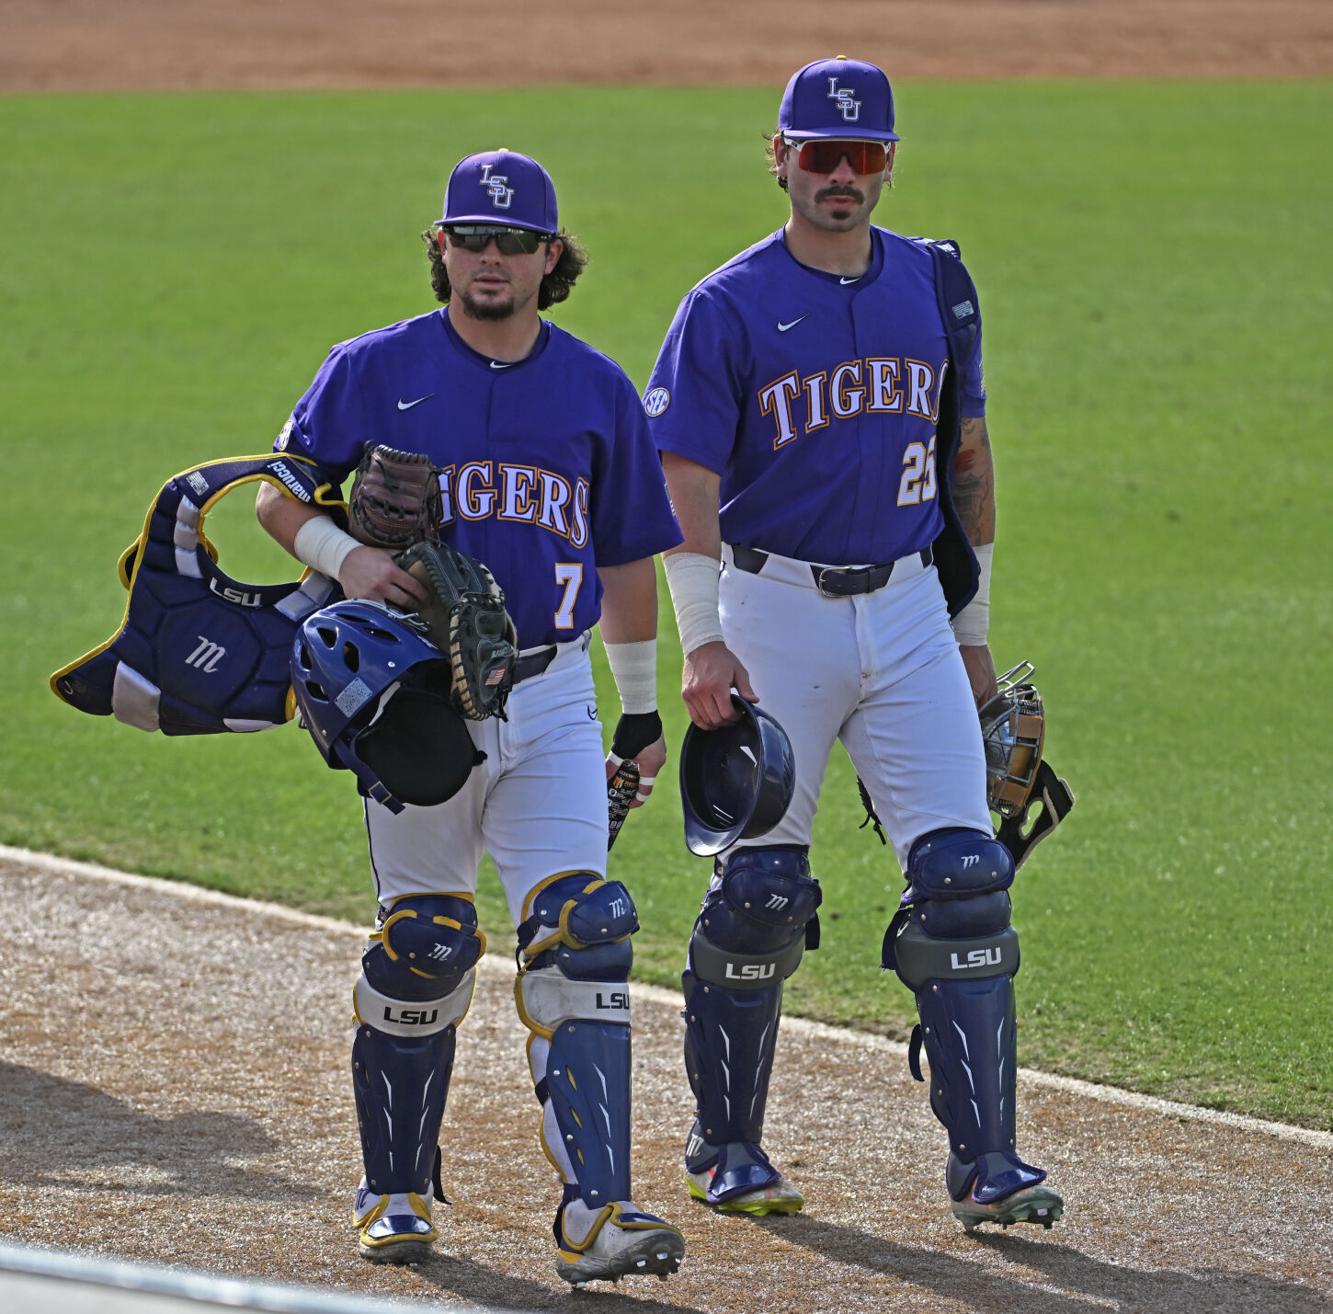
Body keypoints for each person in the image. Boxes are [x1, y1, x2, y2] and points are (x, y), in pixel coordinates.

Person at [645, 57, 1063, 1231]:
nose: (841, 177)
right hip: (770, 609)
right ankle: (724, 1143)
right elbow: (682, 478)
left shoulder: (934, 283)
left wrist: (972, 633)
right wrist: (704, 642)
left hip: (912, 610)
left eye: (863, 156)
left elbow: (965, 456)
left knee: (969, 883)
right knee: (763, 889)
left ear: (889, 162)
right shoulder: (724, 304)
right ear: (776, 157)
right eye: (818, 155)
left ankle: (989, 1166)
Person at [256, 148, 687, 1284]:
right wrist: (344, 555)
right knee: (426, 947)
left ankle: (596, 1210)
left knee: (584, 926)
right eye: (471, 239)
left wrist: (640, 715)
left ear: (552, 257)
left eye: (515, 243)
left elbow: (629, 556)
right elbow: (274, 492)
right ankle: (395, 1185)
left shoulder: (594, 388)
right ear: (440, 247)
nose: (491, 260)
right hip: (417, 703)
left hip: (550, 695)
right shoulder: (373, 367)